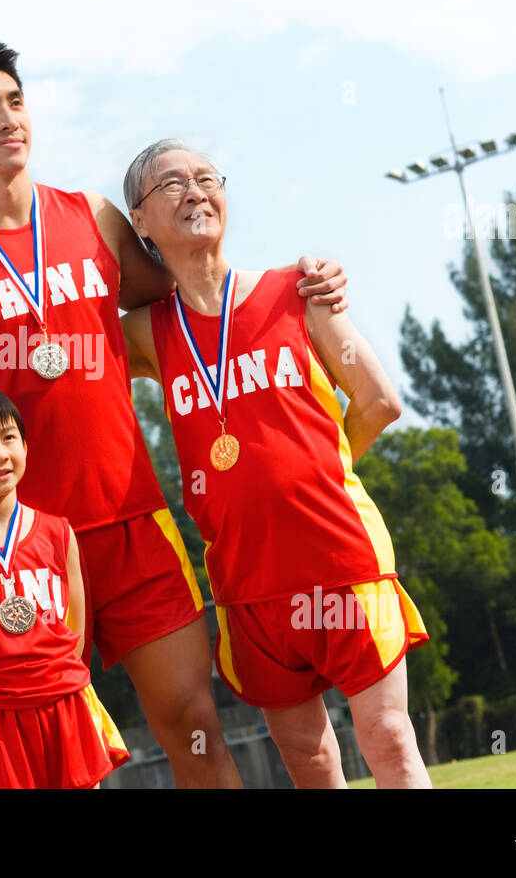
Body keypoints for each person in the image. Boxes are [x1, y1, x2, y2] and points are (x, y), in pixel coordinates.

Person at [0, 36, 349, 787]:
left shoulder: (92, 217)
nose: (9, 119)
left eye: (17, 100)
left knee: (194, 721)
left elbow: (185, 288)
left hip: (132, 518)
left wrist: (299, 283)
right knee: (55, 754)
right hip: (24, 547)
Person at [120, 138, 432, 788]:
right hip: (246, 583)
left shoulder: (298, 290)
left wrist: (320, 469)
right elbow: (60, 327)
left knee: (389, 738)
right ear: (139, 220)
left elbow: (379, 402)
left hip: (340, 558)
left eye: (207, 178)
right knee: (307, 760)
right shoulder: (149, 332)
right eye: (172, 184)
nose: (196, 191)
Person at [0, 382, 129, 788]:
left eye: (9, 437)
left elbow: (76, 629)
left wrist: (63, 686)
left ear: (25, 446)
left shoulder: (58, 533)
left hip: (67, 706)